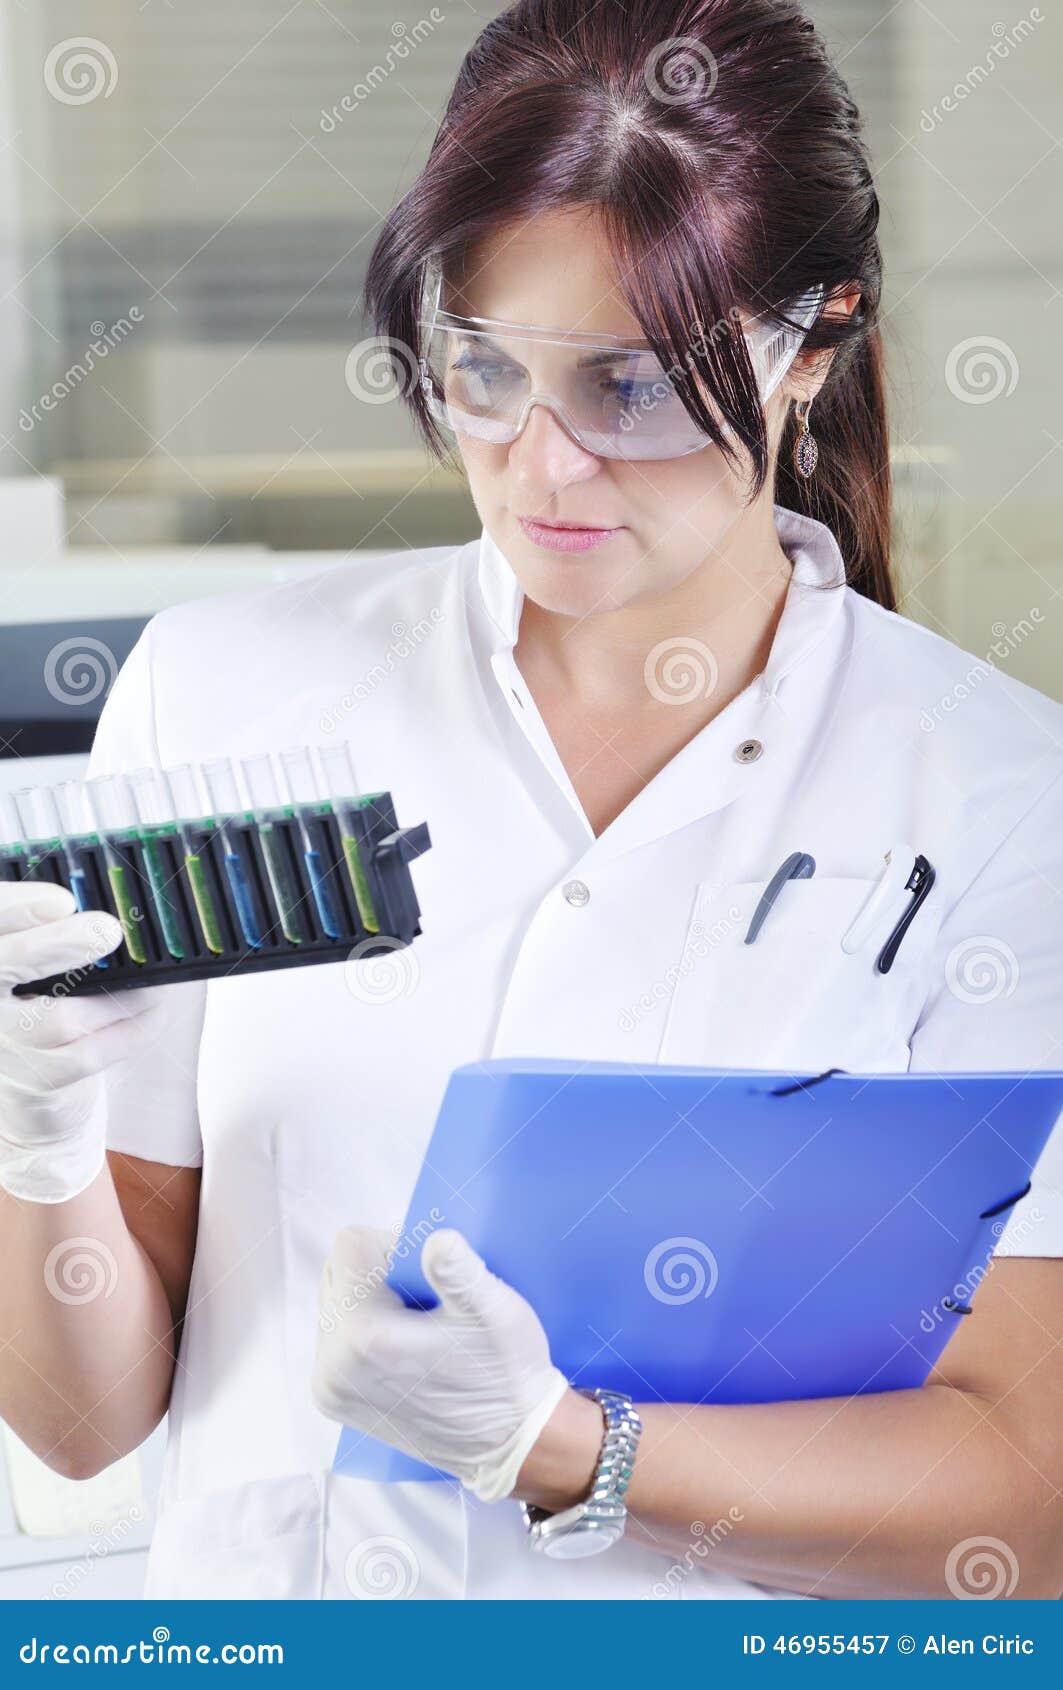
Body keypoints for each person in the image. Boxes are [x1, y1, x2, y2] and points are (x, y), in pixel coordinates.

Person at [1, 0, 1061, 1601]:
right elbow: (83, 1425)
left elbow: (1019, 1500)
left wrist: (566, 1442)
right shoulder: (224, 693)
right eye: (484, 370)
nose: (541, 469)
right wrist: (34, 1147)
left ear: (816, 338)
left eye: (631, 390)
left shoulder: (995, 797)